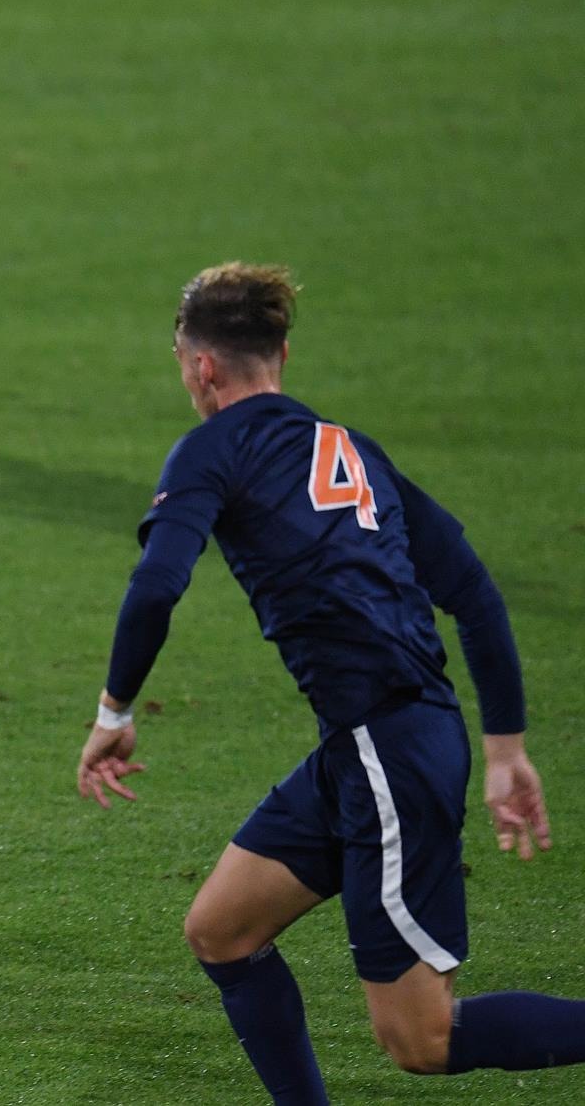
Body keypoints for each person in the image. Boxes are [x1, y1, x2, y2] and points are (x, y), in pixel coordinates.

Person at [75, 263, 583, 1100]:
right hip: (375, 743)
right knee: (221, 930)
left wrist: (114, 710)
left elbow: (158, 582)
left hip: (389, 754)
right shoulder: (351, 448)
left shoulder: (212, 449)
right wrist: (506, 748)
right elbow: (477, 595)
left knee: (420, 1036)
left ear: (202, 366)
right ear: (282, 351)